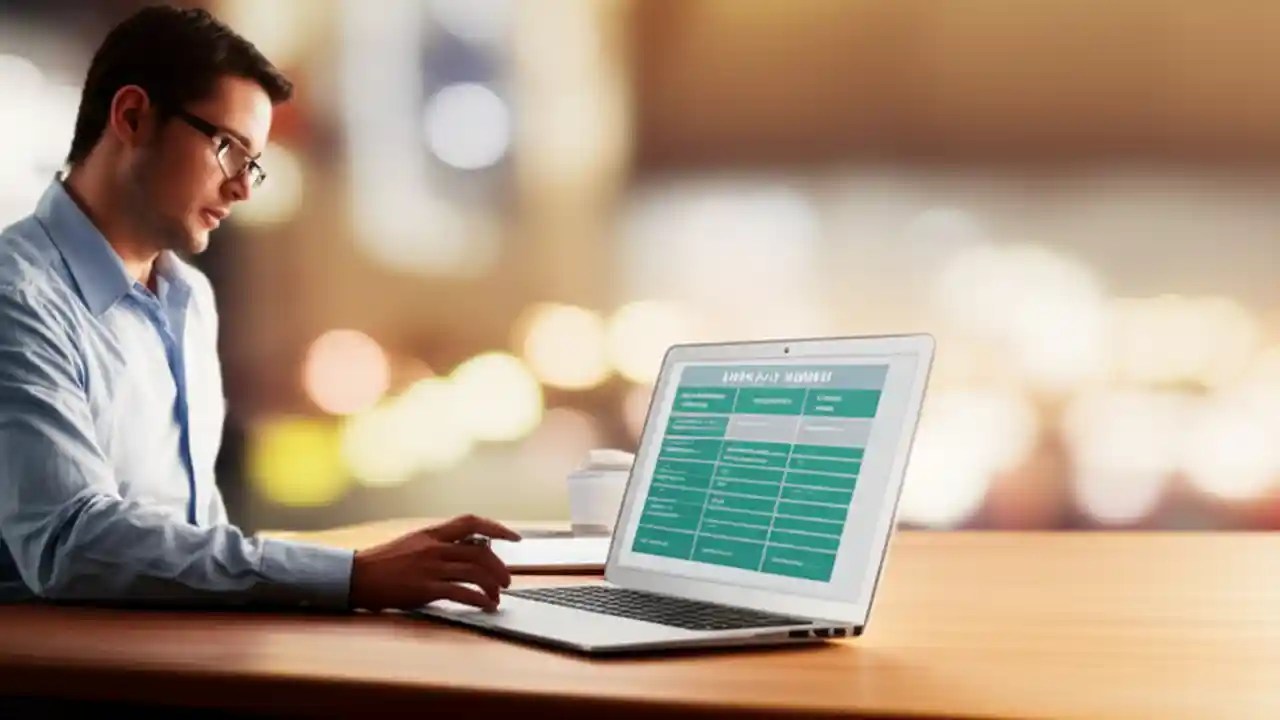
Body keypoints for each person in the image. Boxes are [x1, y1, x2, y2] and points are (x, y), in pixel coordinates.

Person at [0, 5, 519, 613]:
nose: (243, 187)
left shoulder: (189, 300)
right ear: (133, 117)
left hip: (178, 650)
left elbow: (196, 544)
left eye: (253, 165)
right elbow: (71, 544)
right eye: (228, 149)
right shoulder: (19, 299)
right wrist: (351, 575)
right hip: (58, 665)